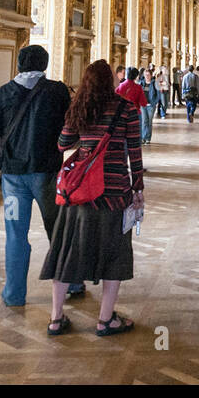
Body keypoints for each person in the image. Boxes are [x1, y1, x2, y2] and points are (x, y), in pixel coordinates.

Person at [42, 60, 143, 338]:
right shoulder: (126, 108)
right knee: (115, 254)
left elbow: (63, 144)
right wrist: (138, 188)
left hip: (80, 193)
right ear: (110, 80)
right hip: (114, 191)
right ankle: (105, 319)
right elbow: (134, 152)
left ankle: (55, 318)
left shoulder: (80, 108)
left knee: (66, 252)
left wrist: (85, 139)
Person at [0, 45, 76, 307]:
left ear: (19, 64)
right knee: (57, 229)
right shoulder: (56, 91)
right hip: (46, 174)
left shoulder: (6, 91)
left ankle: (13, 294)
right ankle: (73, 282)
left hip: (12, 177)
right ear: (44, 64)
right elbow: (71, 127)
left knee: (15, 234)